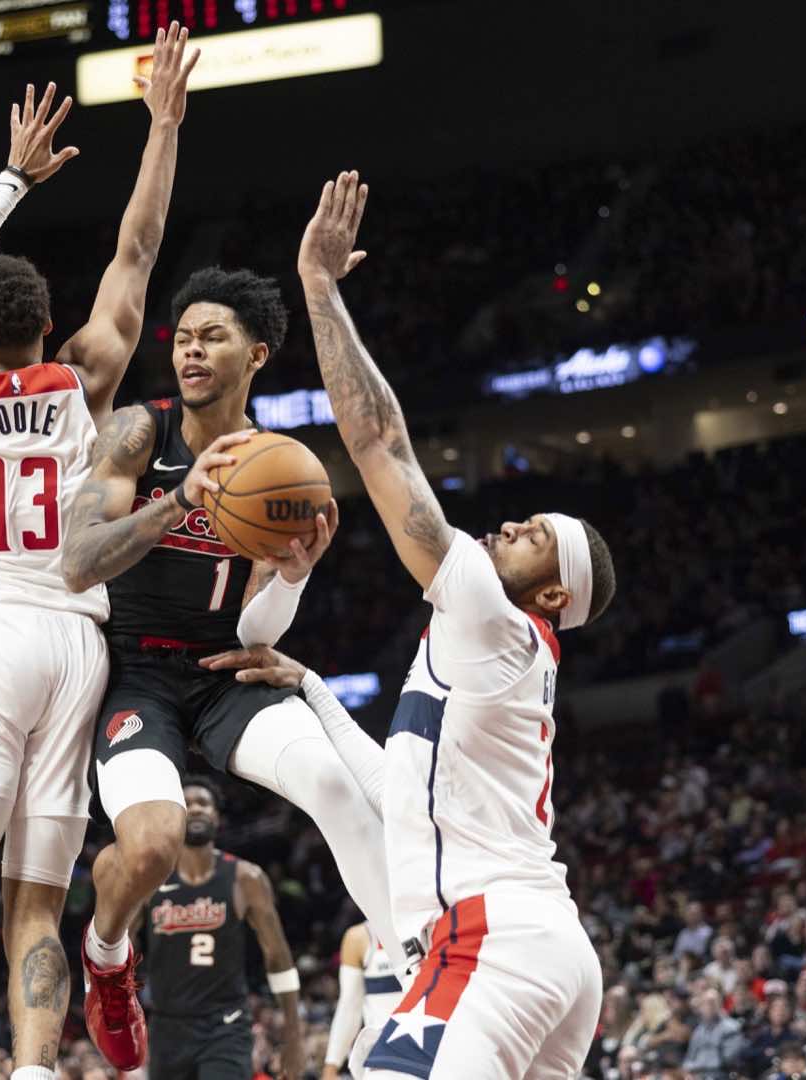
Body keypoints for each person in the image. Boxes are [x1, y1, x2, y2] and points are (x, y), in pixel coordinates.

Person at [202, 170, 618, 1078]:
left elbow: (378, 440)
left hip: (491, 942)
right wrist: (311, 685)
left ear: (551, 595)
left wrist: (317, 290)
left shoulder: (490, 615)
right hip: (550, 952)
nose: (510, 525)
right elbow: (399, 790)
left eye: (534, 537)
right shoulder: (496, 655)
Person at [0, 24, 200, 1080]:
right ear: (47, 326)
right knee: (37, 898)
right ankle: (33, 1069)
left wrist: (11, 180)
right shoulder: (86, 379)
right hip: (74, 641)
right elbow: (137, 252)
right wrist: (163, 125)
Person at [61, 269, 407, 1066]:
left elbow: (257, 629)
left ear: (256, 353)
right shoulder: (138, 436)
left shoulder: (280, 465)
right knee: (150, 846)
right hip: (137, 673)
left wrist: (294, 574)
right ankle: (108, 958)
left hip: (223, 671)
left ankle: (415, 962)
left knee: (332, 779)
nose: (190, 350)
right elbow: (78, 563)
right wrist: (179, 500)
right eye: (182, 337)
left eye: (211, 336)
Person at [131, 776, 303, 1080]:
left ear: (217, 817)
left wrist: (294, 1034)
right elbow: (119, 946)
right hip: (167, 1028)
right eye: (187, 804)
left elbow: (278, 956)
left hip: (226, 1025)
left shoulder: (246, 878)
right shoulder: (149, 881)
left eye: (204, 803)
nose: (196, 809)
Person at [324, 922, 407, 1080]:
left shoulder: (431, 921)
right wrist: (331, 1066)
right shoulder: (359, 938)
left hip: (431, 1050)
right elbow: (349, 1007)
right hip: (383, 1058)